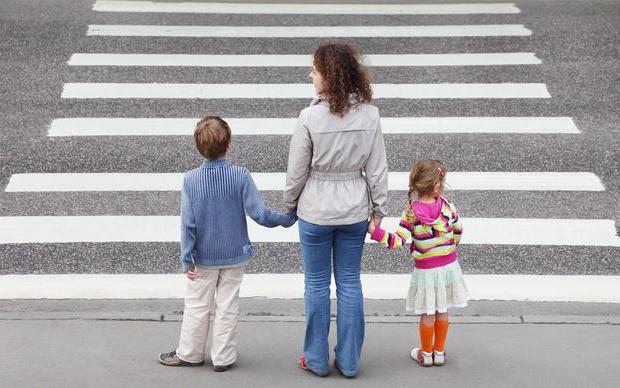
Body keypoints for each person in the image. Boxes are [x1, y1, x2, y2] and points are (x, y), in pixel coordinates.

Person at [283, 41, 388, 377]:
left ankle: (315, 358)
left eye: (314, 70)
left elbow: (296, 171)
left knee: (315, 284)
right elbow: (377, 168)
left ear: (327, 76)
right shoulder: (370, 115)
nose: (310, 75)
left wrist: (289, 206)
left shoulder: (309, 117)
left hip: (315, 210)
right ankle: (349, 360)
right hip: (355, 209)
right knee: (349, 282)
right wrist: (378, 211)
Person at [159, 116, 297, 372]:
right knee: (227, 306)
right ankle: (223, 357)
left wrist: (186, 258)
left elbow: (188, 225)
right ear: (229, 144)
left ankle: (190, 353)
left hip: (203, 257)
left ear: (198, 147)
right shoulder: (240, 175)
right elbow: (260, 215)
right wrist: (288, 219)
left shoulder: (190, 180)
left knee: (198, 305)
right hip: (235, 255)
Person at [368, 160, 468, 367]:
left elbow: (397, 241)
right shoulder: (448, 208)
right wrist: (449, 250)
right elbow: (458, 232)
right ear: (438, 186)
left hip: (427, 270)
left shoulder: (411, 214)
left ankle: (426, 353)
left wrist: (374, 232)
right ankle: (439, 352)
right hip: (449, 266)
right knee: (443, 310)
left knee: (428, 312)